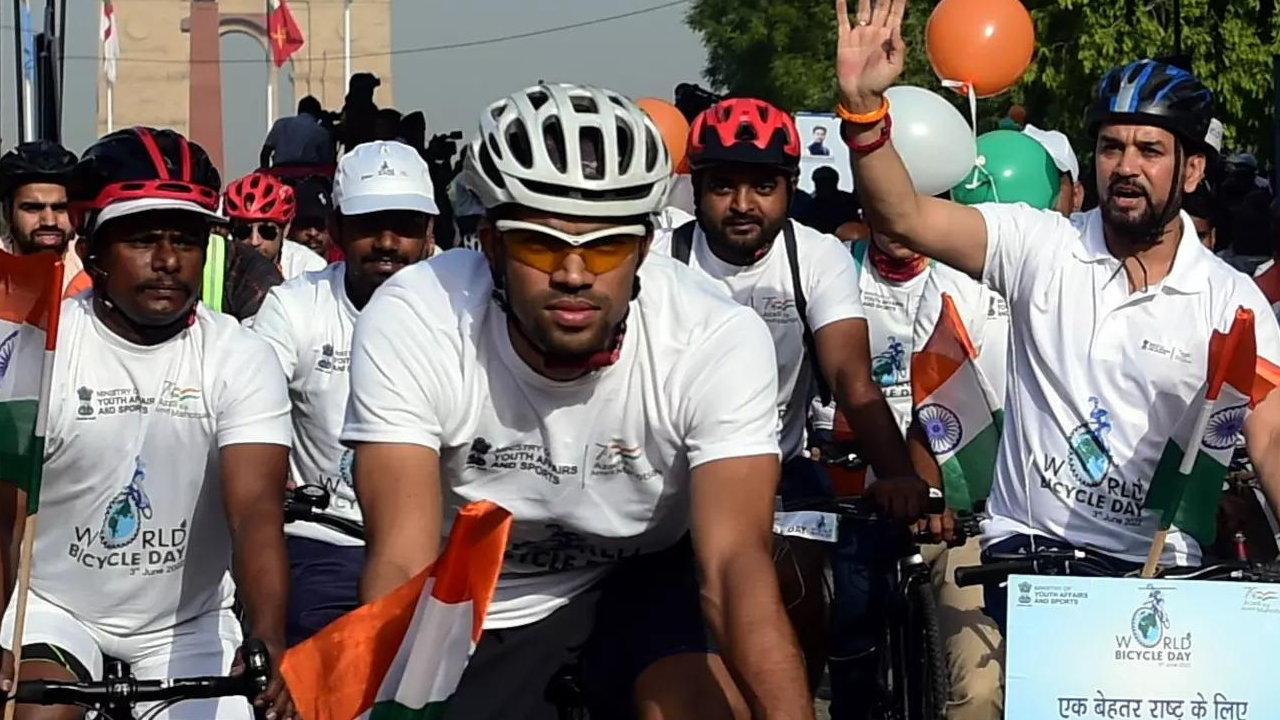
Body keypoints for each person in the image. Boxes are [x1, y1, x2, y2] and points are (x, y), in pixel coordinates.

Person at [344, 83, 812, 720]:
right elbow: (402, 555)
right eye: (540, 244)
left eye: (607, 246)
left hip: (643, 578)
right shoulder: (417, 316)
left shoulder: (715, 335)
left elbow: (734, 569)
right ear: (492, 245)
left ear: (643, 249)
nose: (573, 273)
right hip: (476, 599)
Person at [834, 0, 1280, 639]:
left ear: (1192, 169)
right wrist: (863, 112)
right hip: (1033, 559)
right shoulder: (1039, 244)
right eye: (1111, 147)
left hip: (1165, 572)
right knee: (986, 687)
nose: (1126, 167)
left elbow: (1271, 439)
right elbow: (903, 216)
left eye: (1150, 150)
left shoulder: (1232, 298)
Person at [0, 127, 295, 720]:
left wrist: (266, 637)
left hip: (188, 623)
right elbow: (5, 513)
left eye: (186, 241)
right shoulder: (39, 344)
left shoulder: (240, 355)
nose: (167, 261)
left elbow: (254, 512)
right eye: (141, 240)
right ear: (92, 250)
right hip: (56, 609)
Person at [652, 96, 927, 719]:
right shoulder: (661, 257)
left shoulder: (816, 257)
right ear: (696, 189)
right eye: (722, 186)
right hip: (667, 476)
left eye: (763, 187)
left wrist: (897, 474)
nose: (742, 204)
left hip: (778, 472)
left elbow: (852, 379)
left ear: (790, 187)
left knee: (799, 588)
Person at [252, 141, 435, 647]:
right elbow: (247, 405)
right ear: (335, 229)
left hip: (437, 541)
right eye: (368, 224)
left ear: (429, 231)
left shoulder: (466, 308)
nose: (387, 242)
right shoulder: (294, 308)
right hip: (326, 539)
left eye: (405, 225)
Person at [0, 141, 91, 297]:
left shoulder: (94, 270)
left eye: (60, 208)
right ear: (7, 213)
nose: (49, 221)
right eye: (33, 208)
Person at [224, 172, 328, 280]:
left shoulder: (310, 267)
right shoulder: (221, 262)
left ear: (286, 229)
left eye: (266, 231)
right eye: (243, 231)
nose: (254, 241)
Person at [260, 96, 336, 169]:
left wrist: (266, 172)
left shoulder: (280, 124)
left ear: (299, 110)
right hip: (309, 172)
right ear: (318, 114)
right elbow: (328, 161)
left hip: (280, 170)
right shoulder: (321, 132)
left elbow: (265, 153)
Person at [287, 176, 336, 259]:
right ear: (290, 229)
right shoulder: (277, 265)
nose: (313, 233)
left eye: (320, 225)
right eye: (304, 224)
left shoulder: (346, 263)